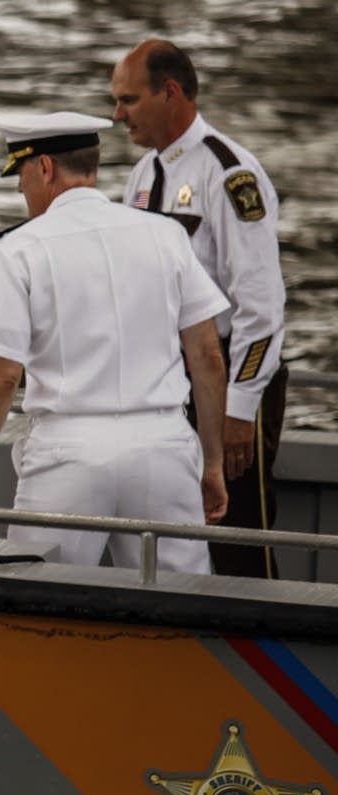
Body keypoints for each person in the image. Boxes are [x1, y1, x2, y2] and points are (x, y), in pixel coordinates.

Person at [0, 112, 230, 572]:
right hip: (163, 447)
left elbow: (1, 375)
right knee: (183, 612)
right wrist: (212, 464)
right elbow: (207, 357)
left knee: (38, 601)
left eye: (19, 174)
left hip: (69, 455)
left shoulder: (18, 249)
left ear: (44, 168)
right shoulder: (166, 234)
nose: (20, 190)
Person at [112, 39, 288, 578]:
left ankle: (264, 654)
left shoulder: (230, 175)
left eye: (127, 101)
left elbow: (261, 308)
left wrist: (240, 407)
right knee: (175, 534)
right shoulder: (143, 176)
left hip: (228, 378)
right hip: (168, 381)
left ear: (170, 93)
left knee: (237, 544)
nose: (117, 115)